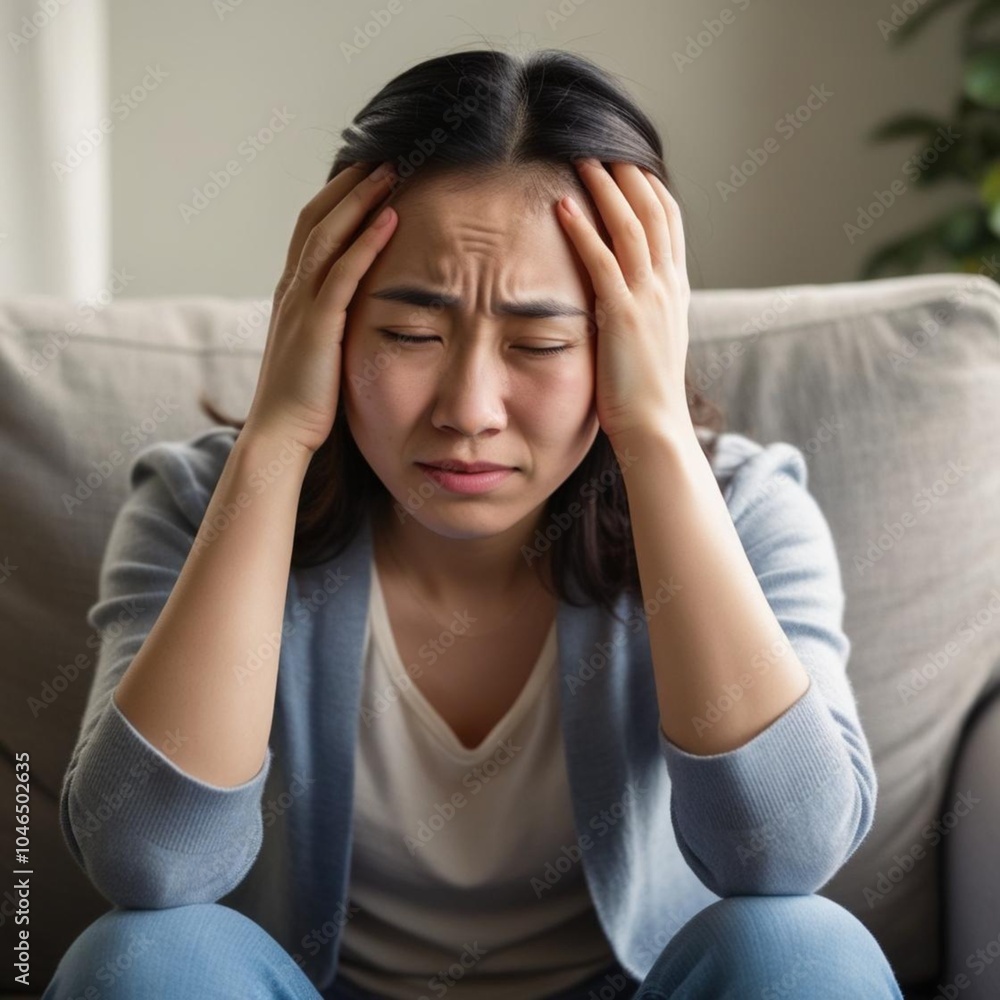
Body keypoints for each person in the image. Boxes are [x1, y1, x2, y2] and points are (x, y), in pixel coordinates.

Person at [43, 45, 905, 1000]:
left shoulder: (745, 509)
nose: (469, 408)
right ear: (325, 321)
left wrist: (653, 431)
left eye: (539, 342)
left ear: (633, 339)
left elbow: (786, 859)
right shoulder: (196, 505)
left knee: (802, 949)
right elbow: (148, 865)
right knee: (140, 960)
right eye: (411, 334)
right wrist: (279, 440)